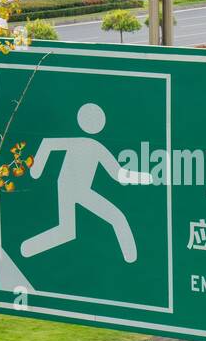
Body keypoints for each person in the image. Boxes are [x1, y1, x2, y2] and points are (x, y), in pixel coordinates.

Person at [20, 103, 152, 263]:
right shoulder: (80, 143)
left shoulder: (95, 147)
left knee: (69, 230)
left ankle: (26, 249)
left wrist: (145, 177)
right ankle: (26, 249)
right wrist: (36, 169)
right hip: (70, 188)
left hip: (77, 189)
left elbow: (117, 174)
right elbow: (48, 143)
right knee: (115, 218)